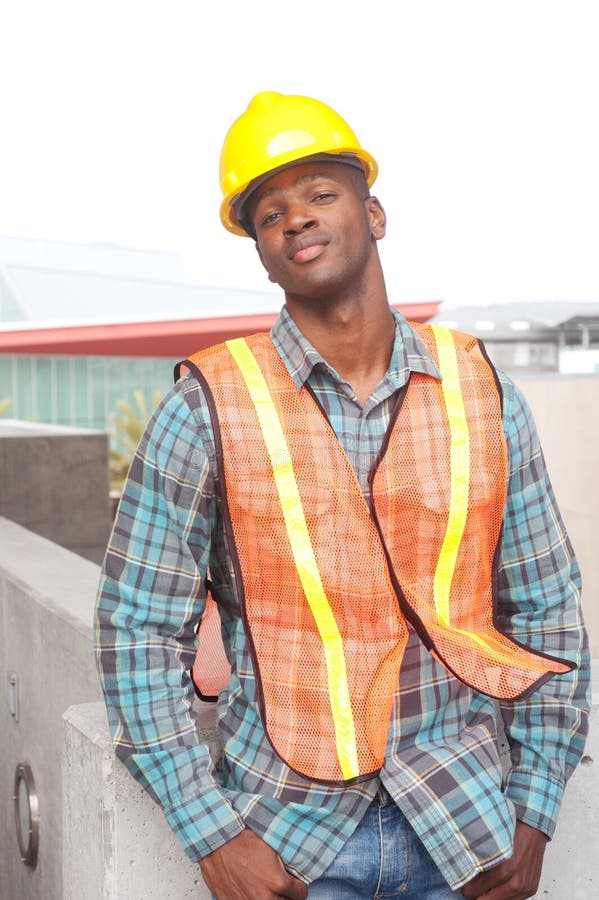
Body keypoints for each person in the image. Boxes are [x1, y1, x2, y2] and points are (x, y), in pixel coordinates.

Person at [94, 91, 591, 899]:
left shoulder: (478, 388)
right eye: (268, 214)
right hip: (289, 840)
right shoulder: (209, 403)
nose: (295, 218)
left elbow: (545, 607)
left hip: (462, 829)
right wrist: (213, 836)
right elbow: (138, 630)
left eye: (320, 193)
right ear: (260, 253)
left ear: (374, 213)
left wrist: (534, 809)